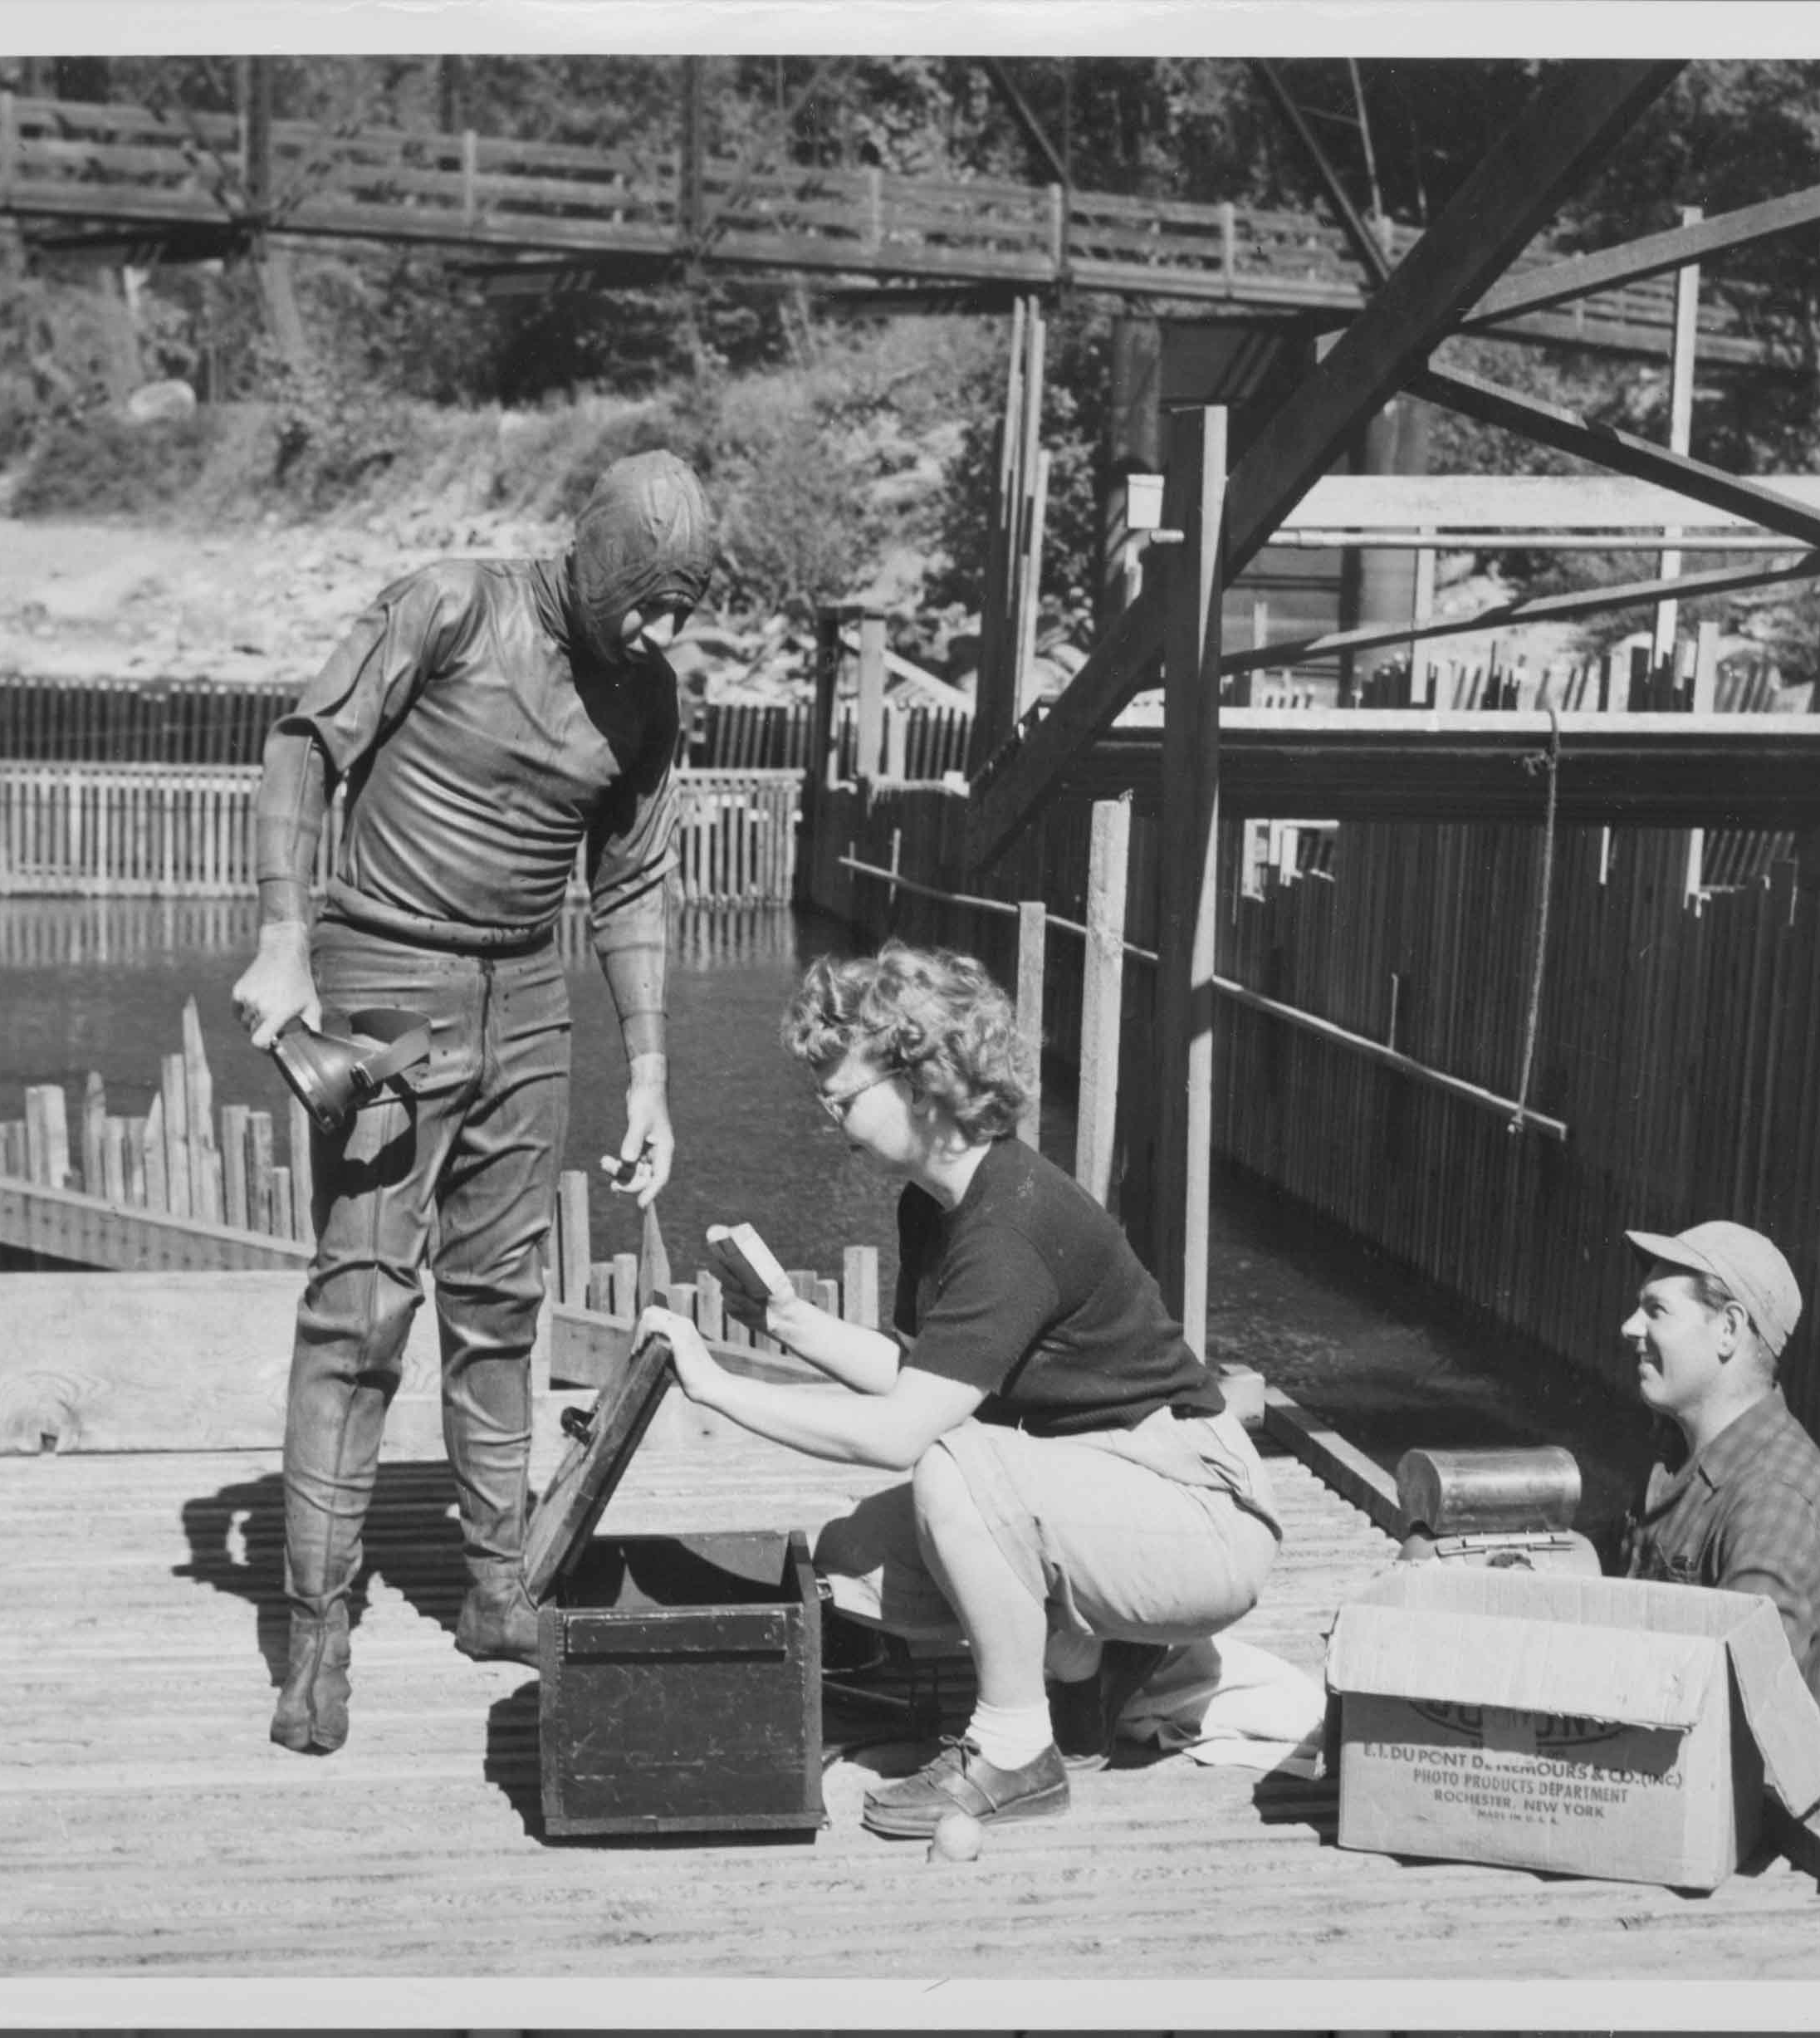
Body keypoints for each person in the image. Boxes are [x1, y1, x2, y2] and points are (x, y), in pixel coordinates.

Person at [232, 449, 712, 1754]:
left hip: (531, 1001)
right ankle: (315, 1635)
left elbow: (630, 888)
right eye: (652, 600)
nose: (665, 631)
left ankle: (499, 1584)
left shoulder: (648, 697)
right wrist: (285, 936)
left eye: (687, 607)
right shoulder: (452, 606)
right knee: (362, 1304)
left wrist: (652, 1071)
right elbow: (300, 749)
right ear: (605, 559)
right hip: (390, 982)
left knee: (502, 1303)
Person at [637, 941, 1284, 1837]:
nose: (825, 1102)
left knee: (951, 1471)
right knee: (848, 1561)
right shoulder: (935, 1202)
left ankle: (1018, 1749)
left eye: (843, 1088)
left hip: (1201, 1512)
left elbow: (907, 1432)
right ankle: (1085, 1668)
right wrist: (785, 1321)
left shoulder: (1012, 1221)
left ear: (924, 1078)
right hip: (1097, 1478)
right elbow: (926, 1375)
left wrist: (716, 1389)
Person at [1619, 1221, 1820, 1754]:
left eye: (1655, 1310)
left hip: (1733, 1832)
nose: (1629, 1327)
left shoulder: (1775, 1497)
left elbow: (1740, 1713)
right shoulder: (1680, 1456)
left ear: (1729, 1329)